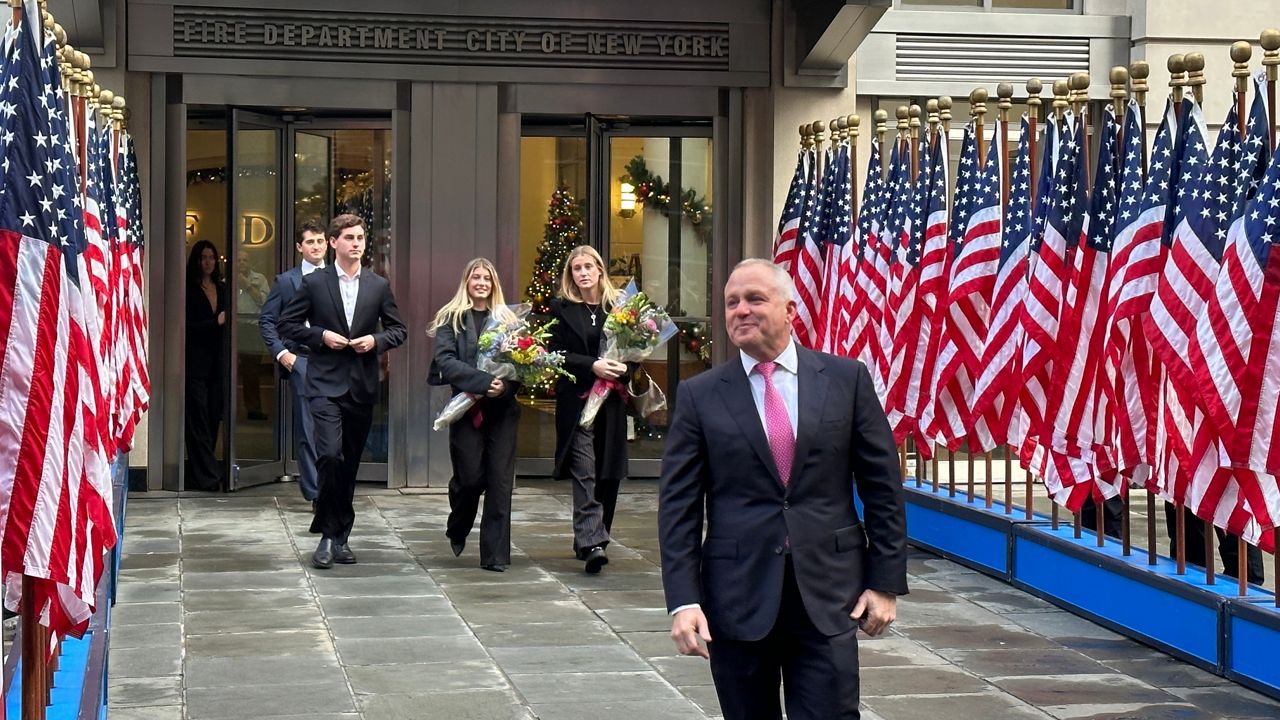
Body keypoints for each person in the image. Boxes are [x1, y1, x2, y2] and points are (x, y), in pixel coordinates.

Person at [658, 259, 908, 720]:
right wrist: (683, 600)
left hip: (830, 596)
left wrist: (885, 582)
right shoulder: (700, 395)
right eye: (732, 302)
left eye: (755, 299)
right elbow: (679, 507)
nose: (740, 311)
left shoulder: (846, 380)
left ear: (790, 309)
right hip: (736, 597)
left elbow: (882, 488)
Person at [278, 214, 406, 570]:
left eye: (360, 237)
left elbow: (399, 330)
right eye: (349, 237)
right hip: (323, 383)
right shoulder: (316, 282)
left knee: (348, 465)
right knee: (330, 455)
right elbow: (287, 324)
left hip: (361, 385)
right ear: (333, 242)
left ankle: (339, 535)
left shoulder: (377, 286)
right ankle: (326, 534)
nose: (356, 243)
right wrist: (320, 336)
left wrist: (376, 340)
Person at [428, 258, 521, 572]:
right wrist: (483, 382)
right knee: (469, 479)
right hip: (467, 409)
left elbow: (525, 364)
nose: (481, 282)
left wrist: (503, 387)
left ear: (494, 284)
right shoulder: (451, 318)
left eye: (487, 278)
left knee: (499, 482)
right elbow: (446, 360)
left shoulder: (509, 320)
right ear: (466, 282)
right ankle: (458, 525)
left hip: (502, 410)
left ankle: (494, 555)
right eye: (476, 277)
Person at [547, 245, 630, 574]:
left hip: (611, 403)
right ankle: (591, 541)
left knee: (608, 475)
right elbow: (555, 354)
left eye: (587, 267)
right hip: (578, 405)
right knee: (585, 471)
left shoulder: (620, 307)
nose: (582, 273)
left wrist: (621, 369)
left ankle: (595, 535)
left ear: (599, 270)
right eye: (576, 268)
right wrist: (592, 365)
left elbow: (636, 352)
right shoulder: (562, 308)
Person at [259, 220, 328, 511]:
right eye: (310, 242)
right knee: (309, 429)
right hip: (302, 360)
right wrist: (282, 354)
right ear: (299, 247)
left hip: (336, 361)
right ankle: (316, 495)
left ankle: (333, 486)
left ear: (328, 244)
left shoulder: (340, 278)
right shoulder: (287, 281)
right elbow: (267, 321)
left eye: (320, 241)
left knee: (335, 428)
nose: (316, 246)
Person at [185, 240, 228, 492]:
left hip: (218, 365)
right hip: (195, 364)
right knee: (198, 420)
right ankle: (207, 476)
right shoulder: (189, 289)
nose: (208, 262)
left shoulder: (222, 289)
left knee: (213, 418)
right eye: (203, 257)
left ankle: (203, 471)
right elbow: (186, 326)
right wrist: (215, 322)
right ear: (196, 260)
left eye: (212, 257)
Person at [236, 250, 272, 421]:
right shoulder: (226, 278)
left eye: (245, 260)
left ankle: (254, 409)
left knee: (251, 372)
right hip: (233, 328)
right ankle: (224, 409)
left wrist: (248, 286)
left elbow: (265, 303)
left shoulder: (260, 279)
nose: (242, 263)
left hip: (252, 328)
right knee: (229, 369)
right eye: (239, 260)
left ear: (250, 263)